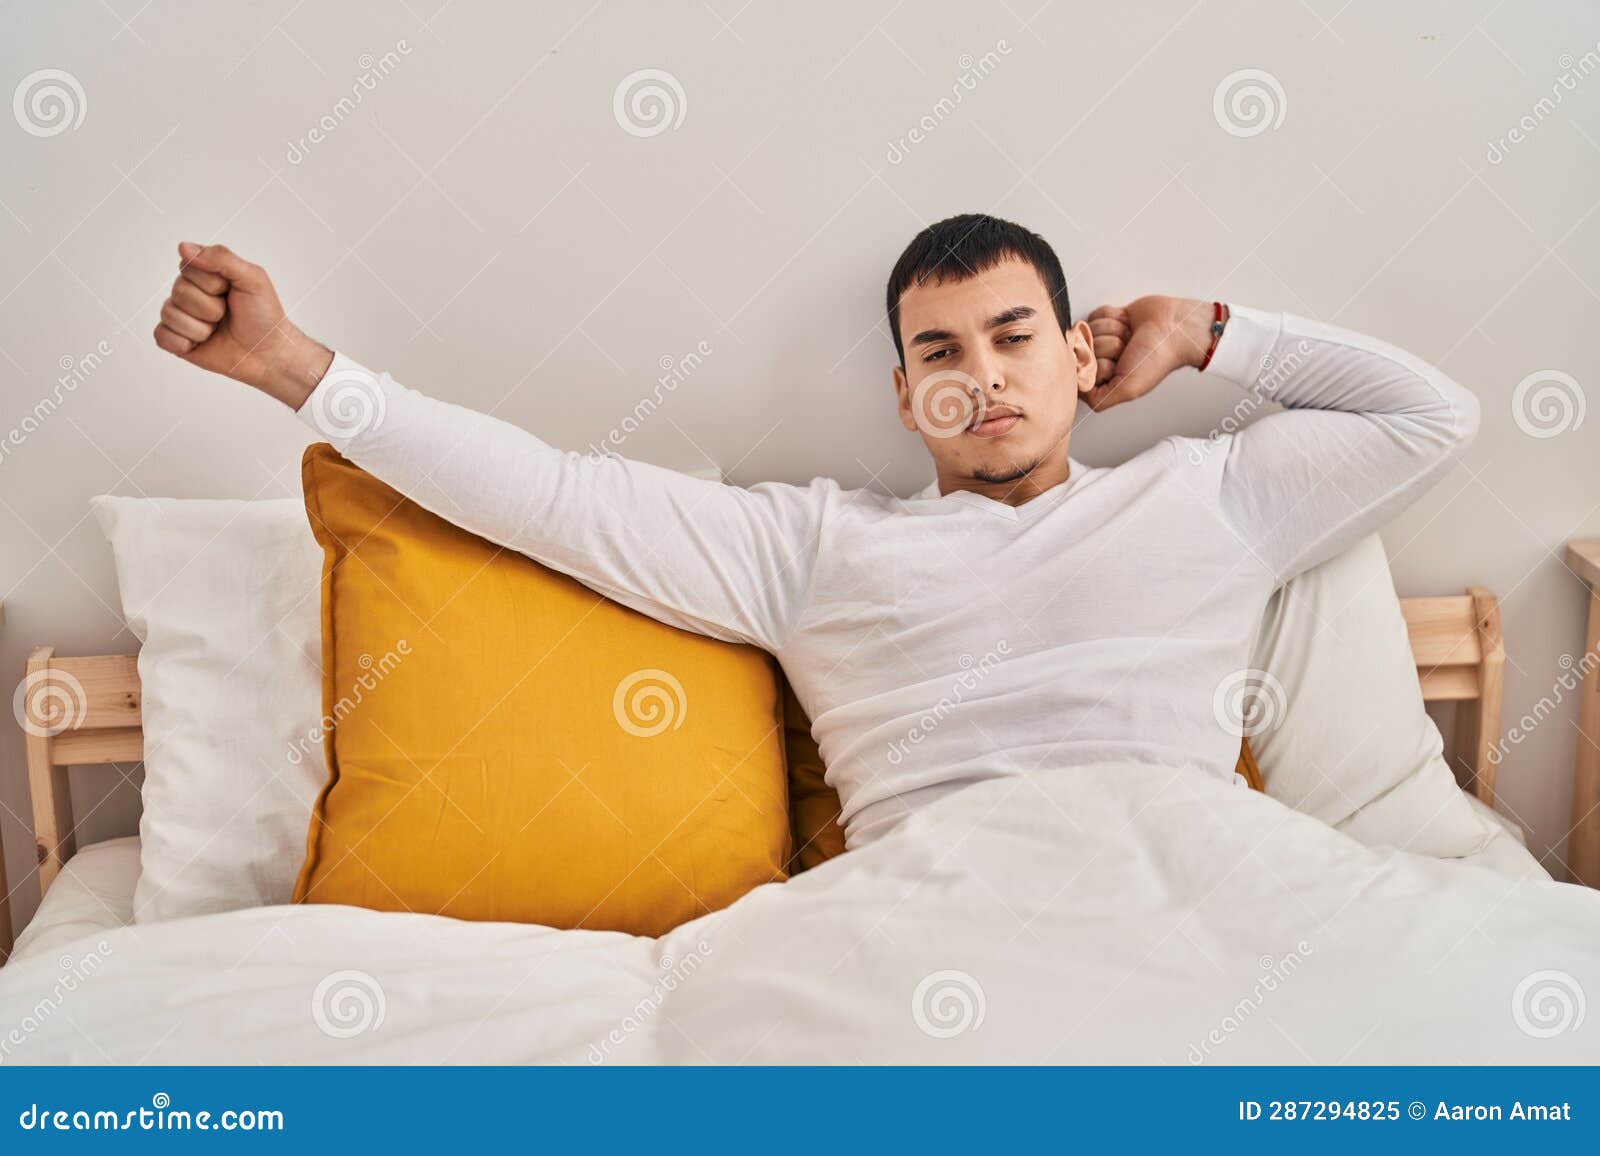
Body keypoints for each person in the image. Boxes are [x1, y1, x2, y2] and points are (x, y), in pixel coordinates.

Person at [151, 213, 1479, 848]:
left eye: (1018, 338)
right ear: (907, 397)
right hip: (931, 921)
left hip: (1191, 874)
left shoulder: (1211, 496)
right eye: (943, 353)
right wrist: (294, 369)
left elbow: (1433, 417)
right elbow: (554, 496)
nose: (988, 376)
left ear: (1079, 354)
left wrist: (1213, 333)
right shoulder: (813, 548)